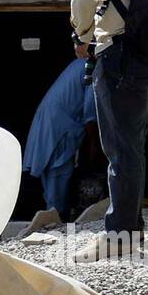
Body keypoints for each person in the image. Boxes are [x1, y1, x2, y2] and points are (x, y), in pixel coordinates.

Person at [69, 0, 148, 263]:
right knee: (133, 142)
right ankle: (133, 226)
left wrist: (82, 34)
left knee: (122, 146)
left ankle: (120, 235)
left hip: (123, 49)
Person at [24, 57, 96, 220]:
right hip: (60, 125)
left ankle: (53, 215)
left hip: (55, 121)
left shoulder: (81, 64)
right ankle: (55, 217)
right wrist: (94, 144)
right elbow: (90, 114)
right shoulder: (92, 68)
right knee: (58, 172)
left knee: (53, 174)